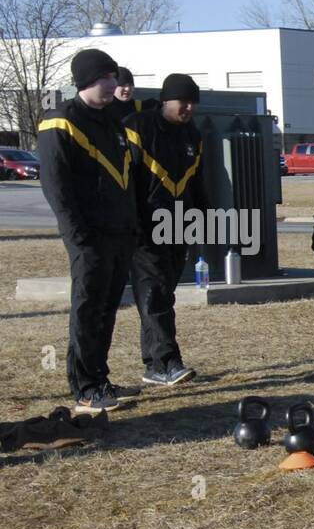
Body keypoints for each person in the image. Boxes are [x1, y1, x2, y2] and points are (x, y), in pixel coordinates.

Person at [38, 48, 140, 415]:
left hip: (119, 232)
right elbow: (55, 183)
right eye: (105, 78)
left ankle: (99, 377)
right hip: (88, 235)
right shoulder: (61, 121)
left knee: (108, 309)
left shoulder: (114, 122)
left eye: (115, 77)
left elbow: (127, 180)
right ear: (86, 81)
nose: (113, 84)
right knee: (88, 308)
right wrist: (75, 232)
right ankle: (84, 387)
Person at [123, 73, 206, 385]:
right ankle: (169, 361)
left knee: (160, 294)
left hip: (178, 225)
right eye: (182, 101)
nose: (188, 108)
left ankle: (154, 365)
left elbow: (198, 184)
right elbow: (126, 181)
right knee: (155, 292)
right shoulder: (137, 126)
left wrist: (202, 221)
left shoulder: (192, 135)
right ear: (166, 100)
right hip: (144, 227)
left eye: (192, 103)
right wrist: (131, 223)